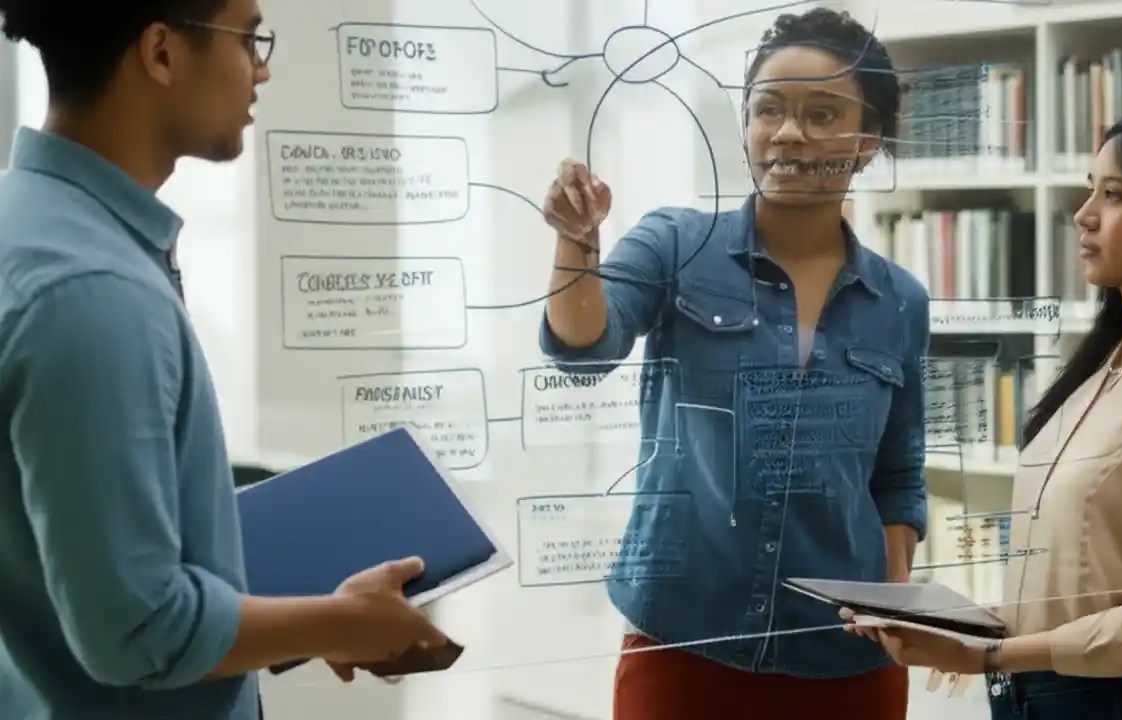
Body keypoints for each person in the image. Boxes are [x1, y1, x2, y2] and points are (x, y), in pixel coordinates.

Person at [0, 2, 451, 719]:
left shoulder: (36, 231)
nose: (263, 68)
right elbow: (136, 629)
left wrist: (302, 617)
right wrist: (344, 621)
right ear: (160, 53)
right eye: (247, 39)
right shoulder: (91, 291)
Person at [538, 7, 929, 719]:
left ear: (867, 141)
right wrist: (576, 245)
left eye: (821, 114)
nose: (787, 132)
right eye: (767, 110)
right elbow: (584, 347)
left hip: (847, 664)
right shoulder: (675, 243)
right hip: (686, 649)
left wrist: (894, 601)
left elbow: (897, 476)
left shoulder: (900, 300)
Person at [845, 112, 1122, 719]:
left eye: (1115, 194)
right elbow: (1076, 596)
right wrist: (964, 629)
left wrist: (995, 656)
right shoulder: (1092, 380)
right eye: (1089, 188)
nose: (1084, 214)